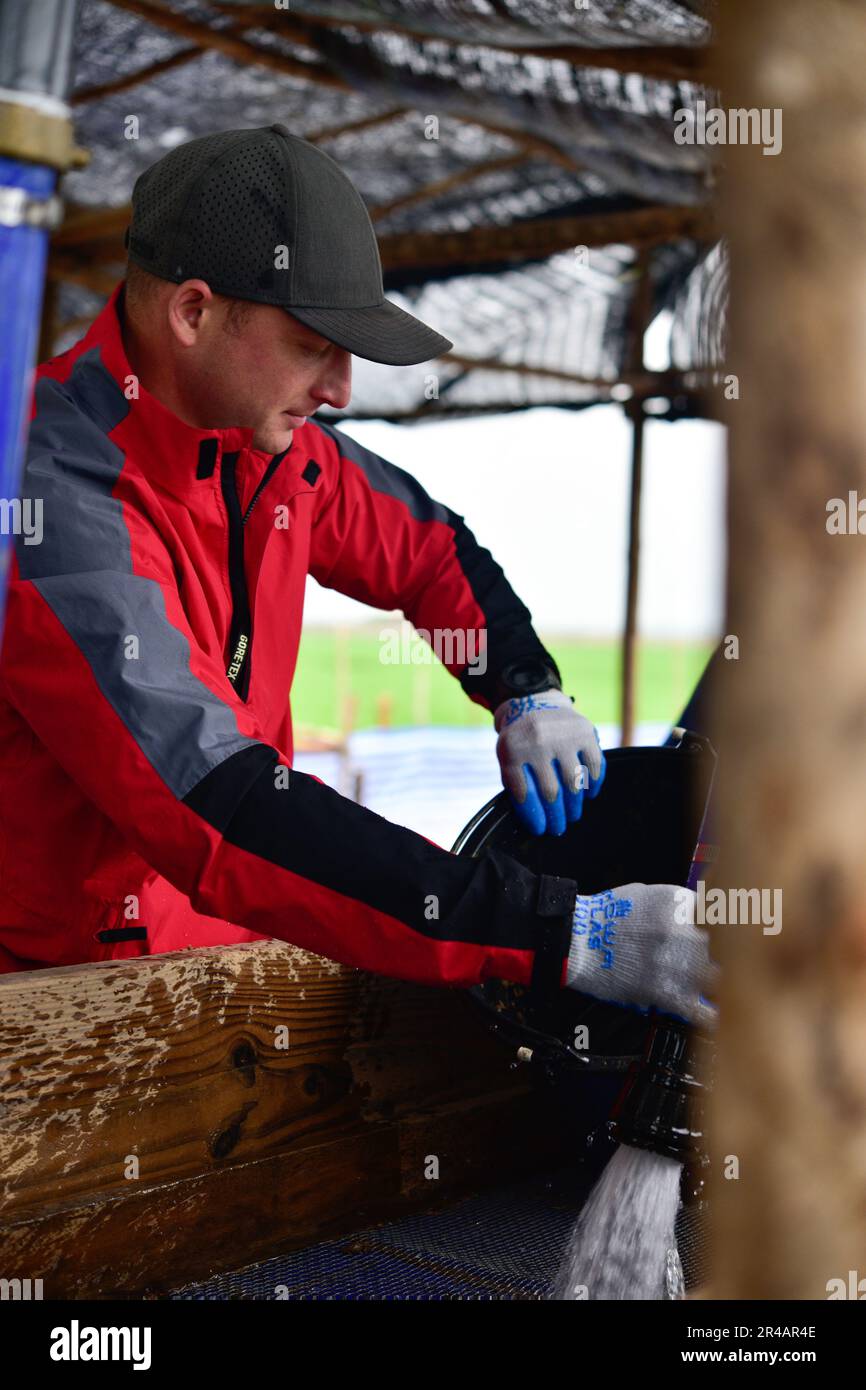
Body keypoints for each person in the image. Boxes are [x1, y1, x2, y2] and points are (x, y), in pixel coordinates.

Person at [0, 125, 715, 1029]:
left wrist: (524, 689)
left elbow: (428, 549)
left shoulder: (266, 446)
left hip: (233, 962)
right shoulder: (48, 495)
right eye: (313, 343)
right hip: (55, 1010)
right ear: (192, 313)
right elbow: (220, 811)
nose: (341, 388)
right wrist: (561, 932)